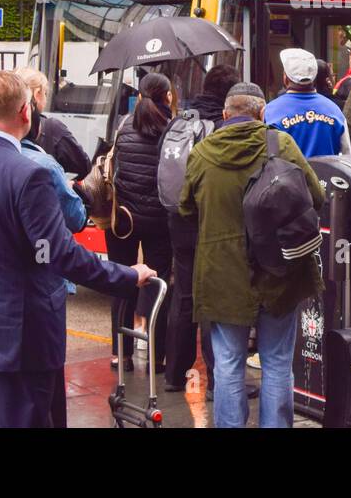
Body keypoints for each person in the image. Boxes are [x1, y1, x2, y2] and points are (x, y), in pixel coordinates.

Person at [0, 71, 153, 428]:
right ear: (25, 113)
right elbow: (63, 255)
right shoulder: (29, 175)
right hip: (20, 340)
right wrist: (128, 276)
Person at [179, 82, 325, 428]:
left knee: (229, 362)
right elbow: (316, 196)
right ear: (262, 113)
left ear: (226, 114)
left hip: (222, 272)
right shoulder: (281, 144)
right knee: (276, 361)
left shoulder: (202, 153)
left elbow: (184, 207)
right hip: (280, 271)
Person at [164, 65, 237, 397]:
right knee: (211, 298)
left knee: (183, 292)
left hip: (176, 217)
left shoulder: (181, 120)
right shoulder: (220, 126)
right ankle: (215, 381)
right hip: (207, 220)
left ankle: (174, 375)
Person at [107, 72, 175, 372]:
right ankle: (156, 357)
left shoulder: (123, 126)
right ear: (166, 96)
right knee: (159, 285)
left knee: (122, 281)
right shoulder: (172, 130)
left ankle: (120, 354)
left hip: (124, 218)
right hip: (160, 220)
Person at [264, 48, 350, 158]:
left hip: (285, 175)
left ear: (285, 78)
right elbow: (347, 156)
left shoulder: (270, 112)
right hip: (326, 175)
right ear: (314, 78)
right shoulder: (334, 110)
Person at [16, 67, 92, 179]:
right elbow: (84, 166)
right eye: (45, 93)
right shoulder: (52, 128)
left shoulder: (6, 126)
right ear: (37, 94)